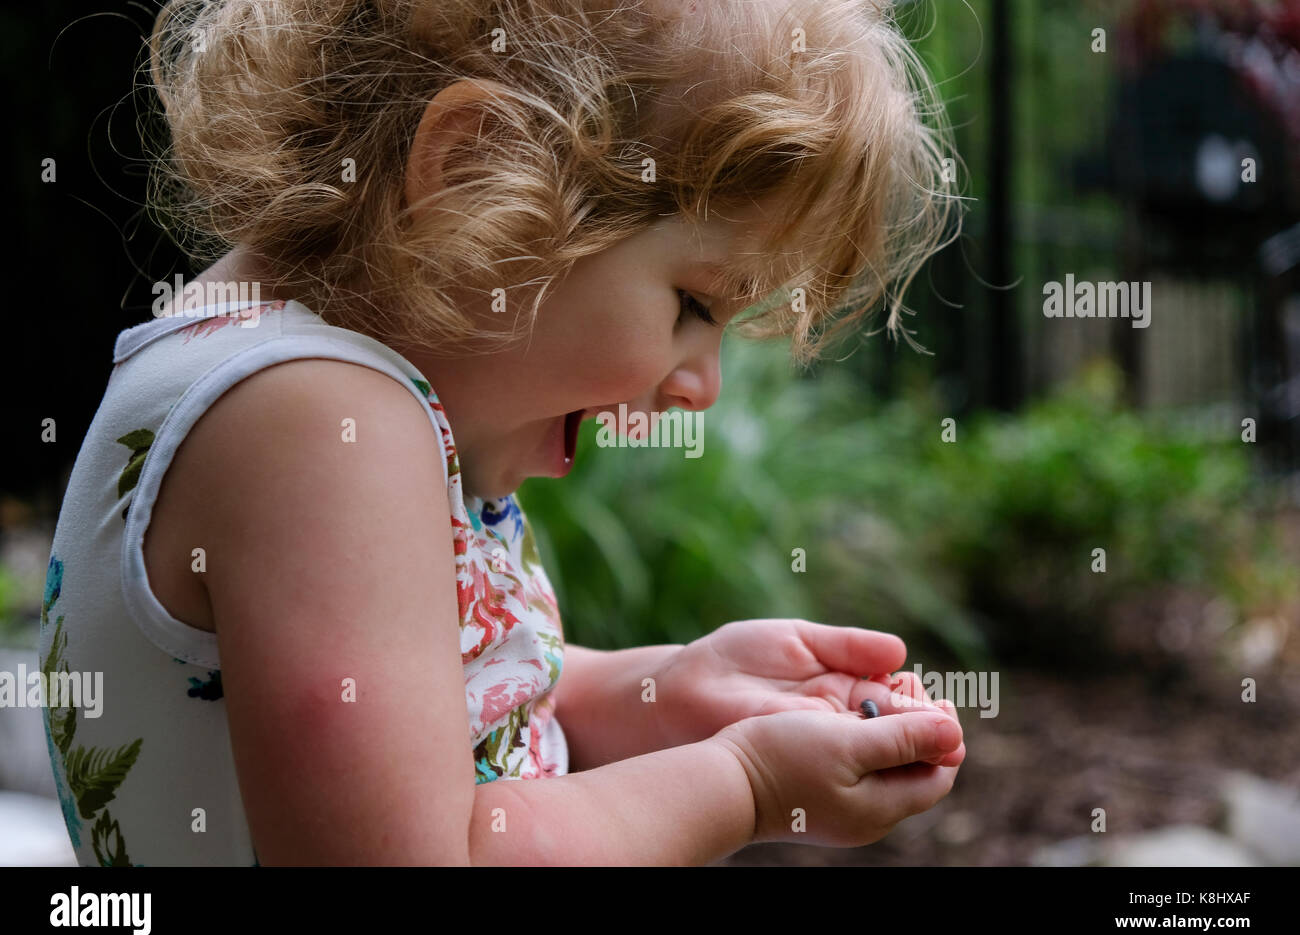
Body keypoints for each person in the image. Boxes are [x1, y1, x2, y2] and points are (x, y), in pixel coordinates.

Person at [39, 0, 965, 865]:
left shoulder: (270, 368)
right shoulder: (325, 424)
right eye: (693, 303)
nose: (701, 390)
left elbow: (435, 710)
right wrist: (746, 783)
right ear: (480, 170)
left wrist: (667, 690)